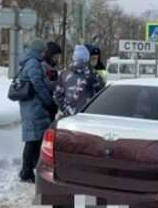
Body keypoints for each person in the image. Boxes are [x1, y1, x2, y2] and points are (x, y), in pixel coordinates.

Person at [17, 38, 56, 183]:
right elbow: (38, 85)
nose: (45, 53)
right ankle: (26, 172)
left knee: (35, 139)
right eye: (44, 50)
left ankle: (30, 169)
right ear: (39, 50)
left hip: (31, 106)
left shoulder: (31, 61)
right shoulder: (33, 63)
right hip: (34, 106)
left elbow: (43, 82)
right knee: (32, 140)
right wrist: (48, 101)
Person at [54, 45, 102, 117]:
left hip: (69, 117)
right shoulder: (93, 74)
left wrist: (66, 109)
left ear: (74, 57)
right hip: (88, 114)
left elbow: (57, 95)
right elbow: (101, 94)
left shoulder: (64, 73)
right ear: (87, 58)